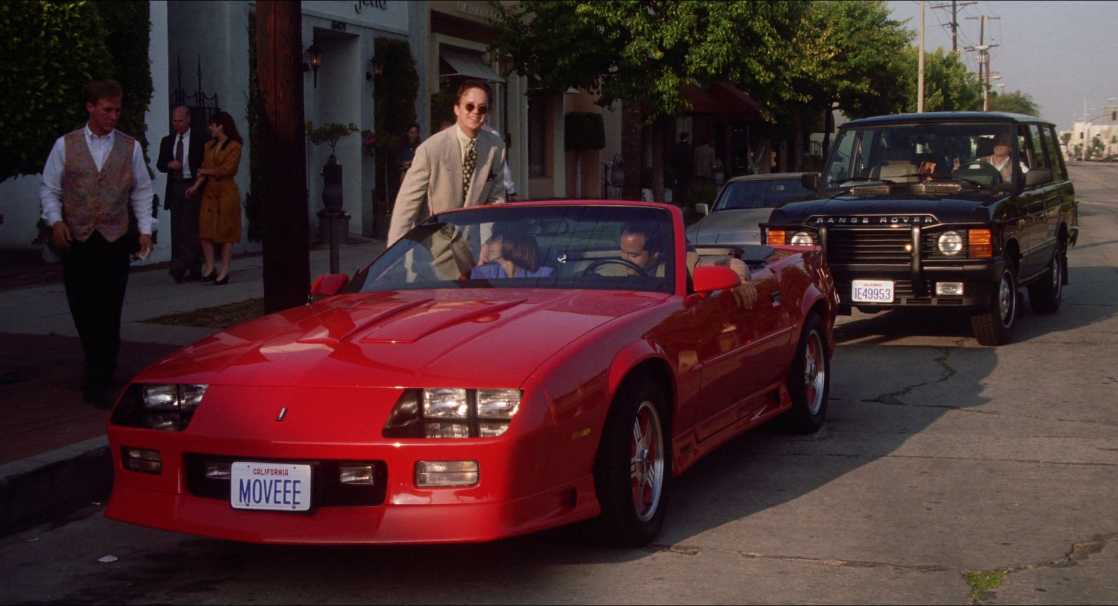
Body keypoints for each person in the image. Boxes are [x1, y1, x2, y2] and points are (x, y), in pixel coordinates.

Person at [39, 80, 156, 407]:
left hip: (115, 240)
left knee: (109, 310)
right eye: (107, 109)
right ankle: (98, 366)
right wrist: (56, 221)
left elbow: (142, 191)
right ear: (90, 107)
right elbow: (50, 189)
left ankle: (99, 377)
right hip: (78, 240)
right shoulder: (66, 146)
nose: (114, 116)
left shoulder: (129, 147)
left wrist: (145, 229)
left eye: (118, 110)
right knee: (83, 309)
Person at [388, 79, 507, 247]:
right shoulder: (431, 149)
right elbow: (406, 208)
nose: (475, 112)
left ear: (487, 113)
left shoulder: (495, 147)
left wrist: (489, 246)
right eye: (469, 106)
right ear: (457, 108)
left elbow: (495, 201)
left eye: (482, 108)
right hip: (433, 251)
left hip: (472, 250)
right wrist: (393, 259)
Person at [185, 111, 243, 285]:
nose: (209, 128)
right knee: (206, 231)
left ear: (220, 126)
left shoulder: (235, 146)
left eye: (212, 124)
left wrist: (206, 171)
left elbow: (227, 170)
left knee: (226, 233)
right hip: (209, 193)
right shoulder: (209, 146)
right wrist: (195, 186)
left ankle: (224, 271)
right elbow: (203, 168)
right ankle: (210, 268)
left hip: (226, 193)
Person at [156, 106, 207, 283]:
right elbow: (160, 164)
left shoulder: (199, 139)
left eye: (180, 121)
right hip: (176, 186)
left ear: (188, 120)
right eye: (174, 121)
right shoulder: (168, 141)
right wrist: (169, 164)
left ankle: (193, 267)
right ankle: (177, 267)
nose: (177, 124)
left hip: (192, 184)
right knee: (177, 227)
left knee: (190, 226)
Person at [471, 225, 553, 279]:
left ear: (512, 241)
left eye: (496, 238)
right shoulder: (483, 274)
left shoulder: (544, 276)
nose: (488, 242)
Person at [670, 132, 694, 207]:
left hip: (679, 169)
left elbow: (673, 159)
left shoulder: (676, 147)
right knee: (686, 185)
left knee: (680, 185)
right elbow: (692, 159)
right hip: (687, 169)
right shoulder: (690, 147)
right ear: (686, 138)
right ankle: (685, 200)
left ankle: (680, 200)